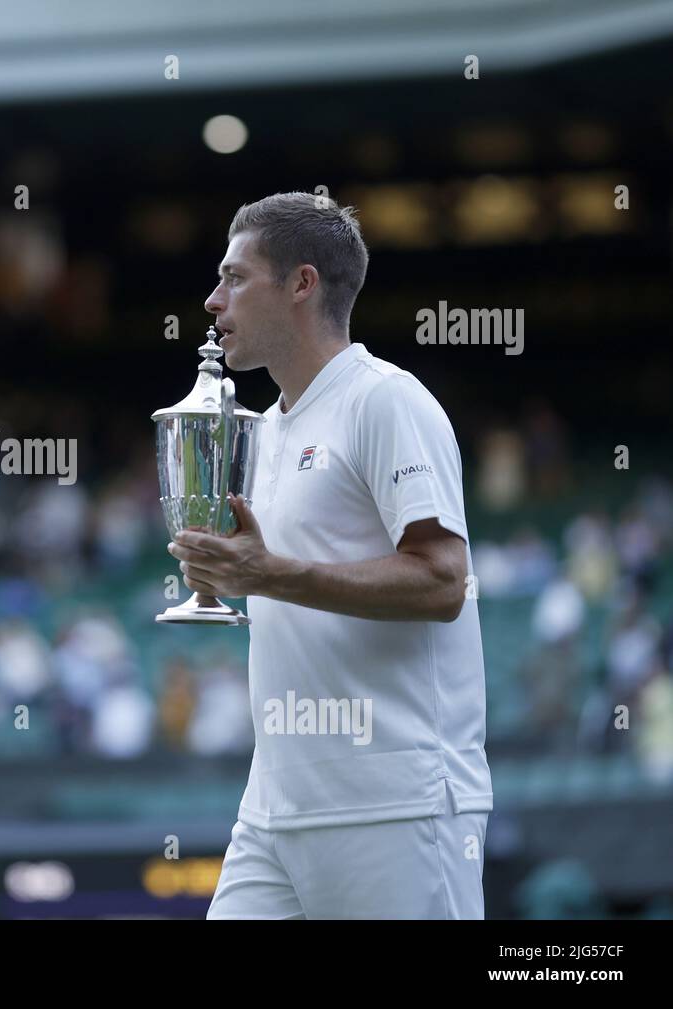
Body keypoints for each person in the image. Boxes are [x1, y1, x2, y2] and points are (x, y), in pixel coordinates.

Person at [169, 193, 493, 919]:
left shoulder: (387, 401)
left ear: (301, 284)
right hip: (274, 806)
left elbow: (444, 582)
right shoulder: (262, 430)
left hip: (396, 802)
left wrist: (269, 574)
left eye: (235, 277)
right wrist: (227, 576)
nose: (213, 299)